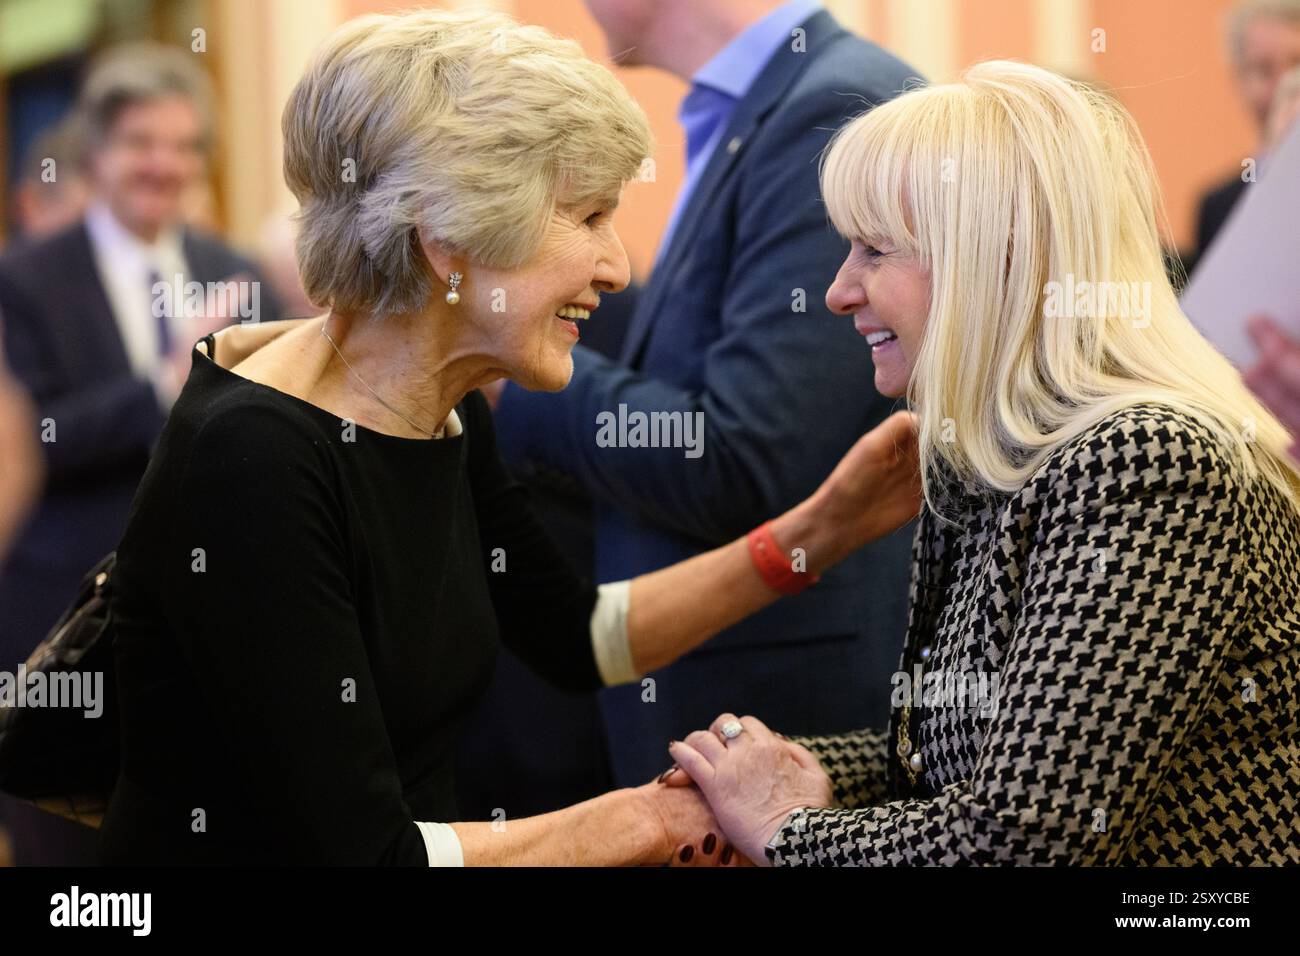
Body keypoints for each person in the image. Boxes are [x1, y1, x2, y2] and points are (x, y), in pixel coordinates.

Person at [98, 9, 922, 865]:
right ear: (448, 239)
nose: (617, 267)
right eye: (588, 217)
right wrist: (648, 820)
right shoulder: (255, 455)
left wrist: (815, 535)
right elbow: (365, 853)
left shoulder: (443, 410)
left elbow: (578, 636)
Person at [662, 60, 1300, 866]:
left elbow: (1027, 837)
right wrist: (778, 774)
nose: (838, 291)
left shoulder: (1148, 463)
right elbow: (955, 759)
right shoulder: (997, 454)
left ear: (994, 260)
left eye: (875, 250)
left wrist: (787, 832)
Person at [477, 0, 922, 802]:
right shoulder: (775, 99)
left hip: (782, 711)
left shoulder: (828, 103)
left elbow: (748, 453)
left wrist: (517, 378)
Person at [0, 42, 284, 865]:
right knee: (66, 852)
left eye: (184, 146)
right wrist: (163, 384)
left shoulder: (234, 273)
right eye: (141, 143)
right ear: (96, 153)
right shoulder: (25, 278)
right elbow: (33, 437)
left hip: (204, 614)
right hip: (60, 618)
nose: (164, 164)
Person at [1193, 0, 1300, 264]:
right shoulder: (1218, 209)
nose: (1285, 84)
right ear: (1239, 80)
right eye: (1264, 69)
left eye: (1297, 63)